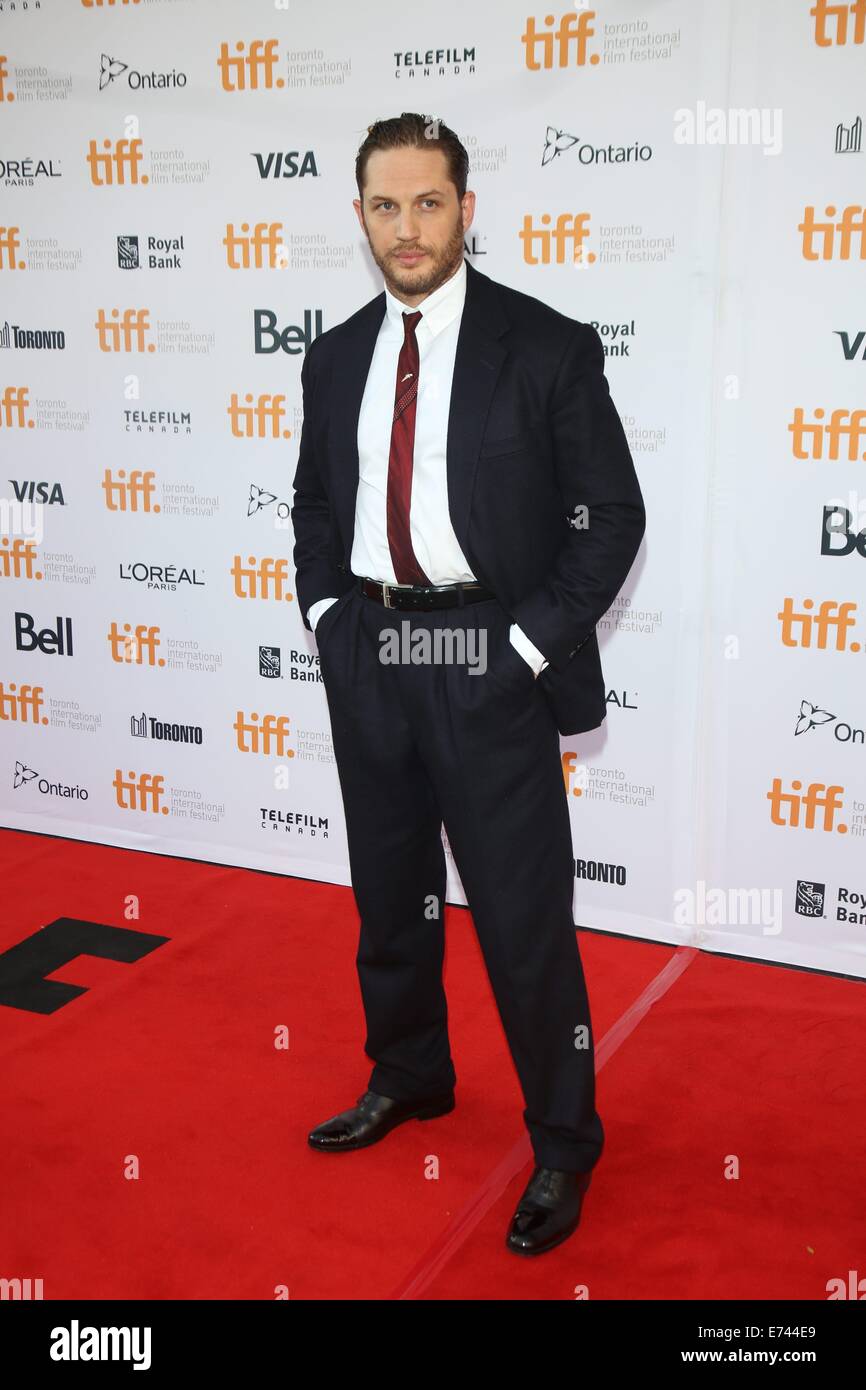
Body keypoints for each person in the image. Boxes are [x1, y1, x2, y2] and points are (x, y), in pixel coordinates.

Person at [291, 112, 645, 1256]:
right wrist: (328, 614)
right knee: (390, 893)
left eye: (428, 203)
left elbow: (609, 520)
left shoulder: (542, 346)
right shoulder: (336, 352)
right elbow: (313, 506)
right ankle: (409, 1075)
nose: (407, 228)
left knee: (522, 918)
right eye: (384, 206)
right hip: (374, 654)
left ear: (465, 208)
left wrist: (523, 650)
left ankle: (561, 1142)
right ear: (359, 218)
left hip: (484, 658)